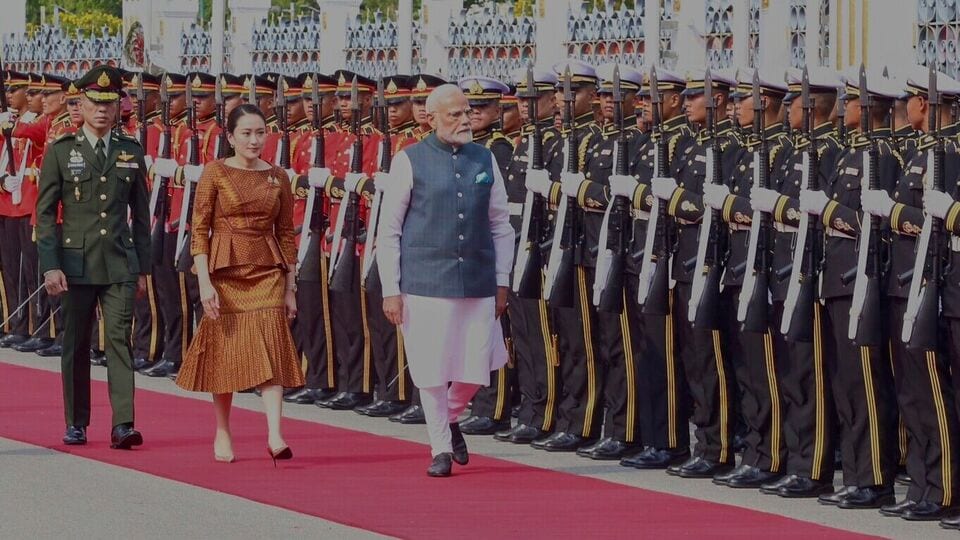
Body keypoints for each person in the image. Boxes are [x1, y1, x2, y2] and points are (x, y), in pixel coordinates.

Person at [377, 84, 514, 477]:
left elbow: (500, 224)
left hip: (477, 277)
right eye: (454, 114)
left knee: (478, 366)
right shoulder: (409, 160)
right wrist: (392, 290)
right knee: (431, 369)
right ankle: (439, 447)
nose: (464, 120)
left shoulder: (484, 158)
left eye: (466, 112)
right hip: (424, 281)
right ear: (430, 117)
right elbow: (389, 230)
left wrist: (502, 280)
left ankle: (451, 416)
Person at [175, 104, 304, 464]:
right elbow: (199, 230)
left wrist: (291, 285)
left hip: (267, 270)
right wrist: (204, 282)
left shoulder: (277, 176)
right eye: (246, 133)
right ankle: (222, 429)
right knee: (226, 351)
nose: (254, 140)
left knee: (271, 340)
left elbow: (286, 235)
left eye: (260, 132)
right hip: (225, 270)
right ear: (230, 137)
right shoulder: (215, 172)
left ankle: (275, 433)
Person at [34, 65, 150, 449]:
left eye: (109, 103)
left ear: (119, 107)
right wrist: (50, 264)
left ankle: (123, 424)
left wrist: (143, 269)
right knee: (76, 342)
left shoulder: (130, 151)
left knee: (119, 339)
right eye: (95, 102)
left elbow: (143, 217)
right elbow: (47, 214)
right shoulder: (62, 151)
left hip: (119, 262)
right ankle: (77, 422)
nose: (102, 110)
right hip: (75, 264)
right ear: (80, 104)